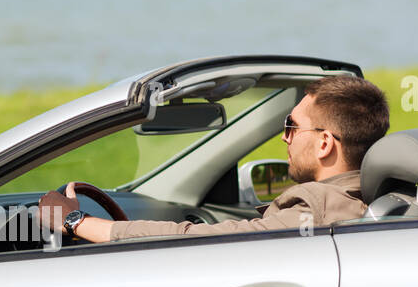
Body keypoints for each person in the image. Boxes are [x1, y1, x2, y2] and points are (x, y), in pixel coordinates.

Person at [38, 76, 390, 242]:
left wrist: (76, 220)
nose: (285, 136)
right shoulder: (384, 198)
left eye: (291, 126)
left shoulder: (315, 211)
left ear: (325, 143)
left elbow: (191, 239)